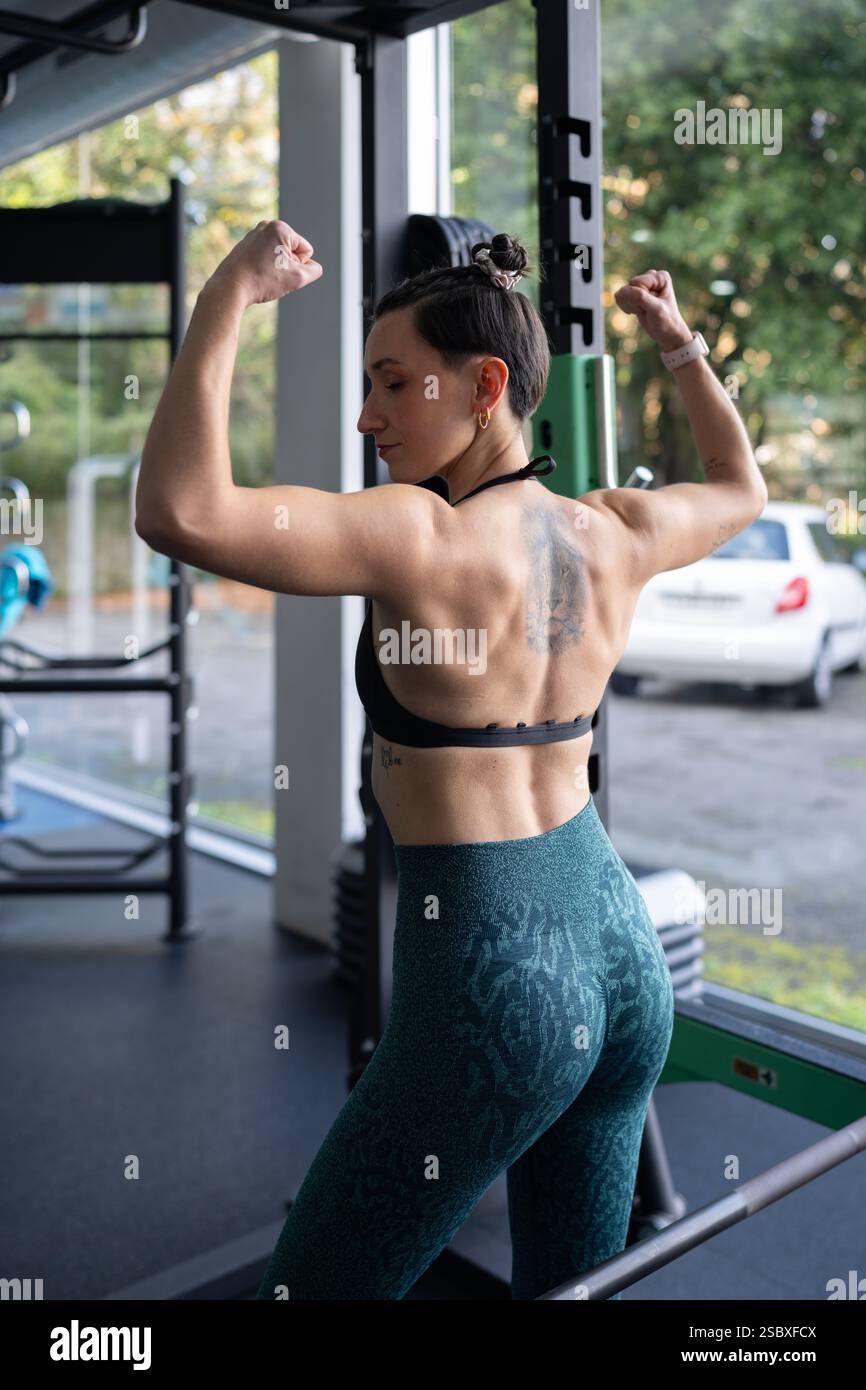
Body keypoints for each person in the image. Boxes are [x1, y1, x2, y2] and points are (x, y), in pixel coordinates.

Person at [135, 221, 768, 1300]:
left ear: (483, 386)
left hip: (493, 992)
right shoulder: (609, 528)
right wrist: (676, 344)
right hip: (621, 966)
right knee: (573, 1285)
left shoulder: (413, 536)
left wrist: (227, 300)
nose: (368, 415)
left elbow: (181, 511)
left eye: (393, 384)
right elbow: (738, 484)